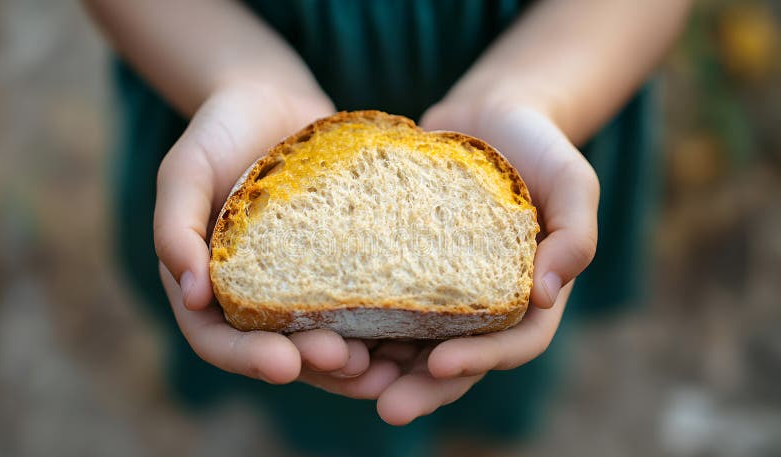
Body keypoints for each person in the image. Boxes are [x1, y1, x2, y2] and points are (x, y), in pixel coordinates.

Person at [84, 0, 690, 455]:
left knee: (488, 380)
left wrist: (534, 94)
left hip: (562, 52)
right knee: (304, 393)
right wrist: (237, 77)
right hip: (205, 49)